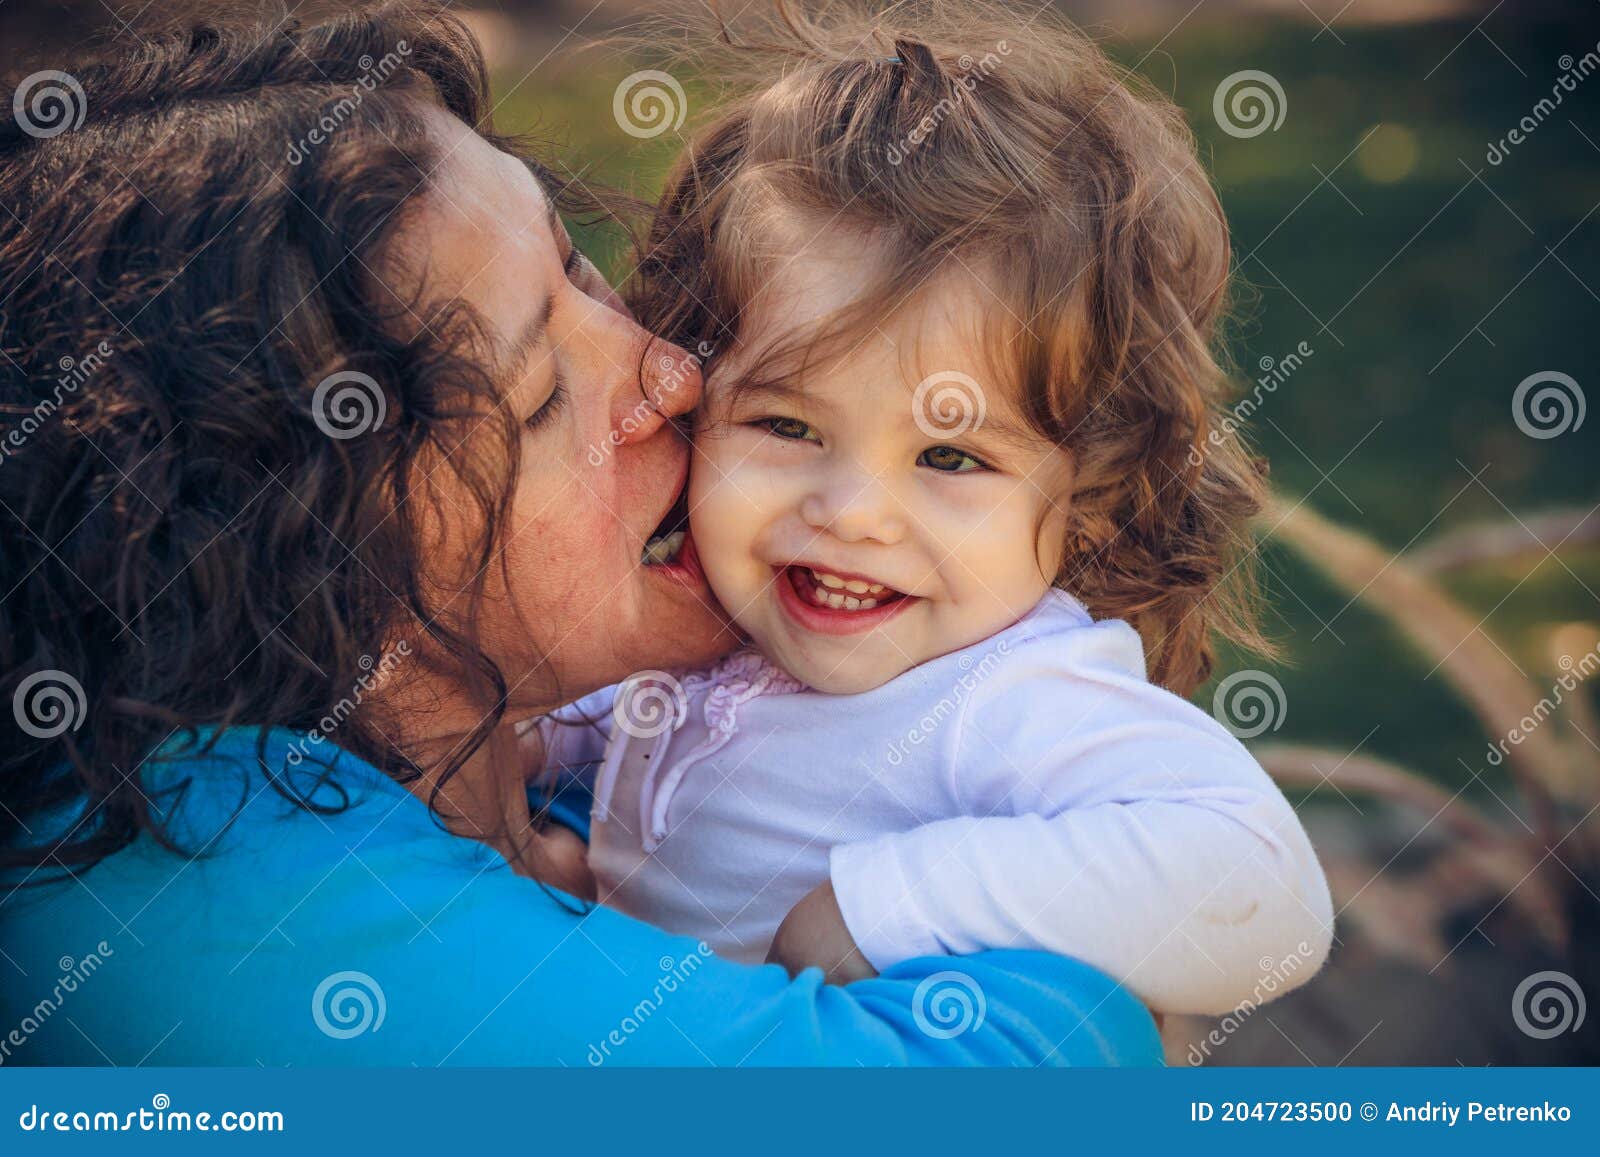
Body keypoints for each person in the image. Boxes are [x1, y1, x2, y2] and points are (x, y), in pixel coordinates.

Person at [0, 3, 1158, 1065]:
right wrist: (1091, 956)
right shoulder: (198, 899)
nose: (676, 370)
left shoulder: (549, 774)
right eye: (546, 392)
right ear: (310, 552)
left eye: (576, 267)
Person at [536, 1, 1333, 1014]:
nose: (854, 513)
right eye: (787, 426)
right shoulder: (720, 630)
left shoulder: (1003, 690)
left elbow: (1268, 886)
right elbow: (591, 717)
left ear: (1088, 494)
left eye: (950, 456)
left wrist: (884, 905)